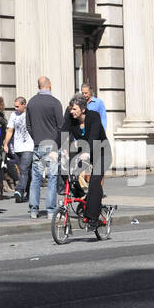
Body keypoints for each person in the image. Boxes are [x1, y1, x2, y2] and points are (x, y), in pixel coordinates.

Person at [62, 94, 110, 226]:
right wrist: (59, 149)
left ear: (83, 109)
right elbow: (63, 132)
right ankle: (82, 196)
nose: (71, 112)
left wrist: (87, 153)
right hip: (82, 149)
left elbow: (94, 136)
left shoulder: (94, 116)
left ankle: (93, 218)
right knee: (63, 170)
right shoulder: (70, 117)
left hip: (101, 150)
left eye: (74, 109)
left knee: (95, 181)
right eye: (70, 109)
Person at [26, 76, 64, 220]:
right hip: (52, 145)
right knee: (52, 178)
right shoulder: (55, 103)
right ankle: (50, 210)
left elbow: (28, 126)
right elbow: (61, 126)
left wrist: (36, 137)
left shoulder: (31, 102)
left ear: (38, 86)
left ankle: (33, 210)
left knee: (35, 178)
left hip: (37, 145)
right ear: (50, 85)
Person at [6, 96, 34, 202]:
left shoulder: (30, 114)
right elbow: (9, 130)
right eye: (15, 106)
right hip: (17, 147)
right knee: (26, 171)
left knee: (23, 169)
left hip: (29, 146)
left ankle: (19, 190)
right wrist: (5, 143)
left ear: (24, 105)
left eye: (18, 106)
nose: (15, 108)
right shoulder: (13, 115)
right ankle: (29, 193)